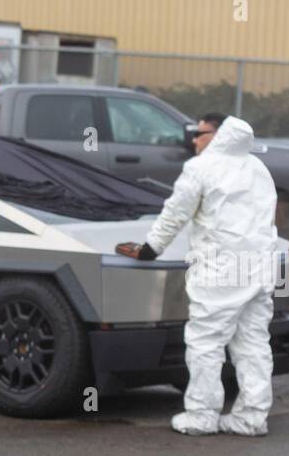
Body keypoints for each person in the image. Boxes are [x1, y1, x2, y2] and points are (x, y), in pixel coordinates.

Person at [117, 113, 279, 436]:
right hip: (260, 267)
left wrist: (149, 249)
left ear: (217, 134)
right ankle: (252, 417)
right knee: (253, 343)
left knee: (206, 341)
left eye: (199, 132)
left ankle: (202, 415)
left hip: (221, 268)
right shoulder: (258, 168)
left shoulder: (201, 168)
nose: (193, 139)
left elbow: (176, 213)